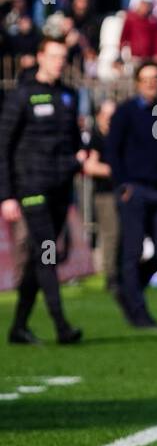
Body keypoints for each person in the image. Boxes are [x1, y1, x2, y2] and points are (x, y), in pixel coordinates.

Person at [0, 37, 84, 344]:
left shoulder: (68, 95)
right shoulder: (21, 96)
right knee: (47, 252)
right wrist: (6, 195)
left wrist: (81, 155)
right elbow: (3, 147)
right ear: (40, 57)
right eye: (53, 56)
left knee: (42, 256)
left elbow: (74, 139)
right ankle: (61, 325)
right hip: (31, 186)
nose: (59, 62)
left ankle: (19, 327)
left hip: (61, 186)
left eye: (63, 57)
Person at [104, 61, 157, 328]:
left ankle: (129, 289)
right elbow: (112, 150)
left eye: (155, 77)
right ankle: (137, 311)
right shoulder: (125, 113)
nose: (151, 83)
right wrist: (122, 185)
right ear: (137, 82)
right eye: (145, 78)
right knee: (131, 251)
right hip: (134, 190)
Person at [81, 99, 119, 299]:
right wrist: (114, 171)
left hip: (123, 192)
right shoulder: (96, 138)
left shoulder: (119, 136)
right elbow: (89, 166)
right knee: (111, 235)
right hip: (105, 193)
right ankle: (111, 276)